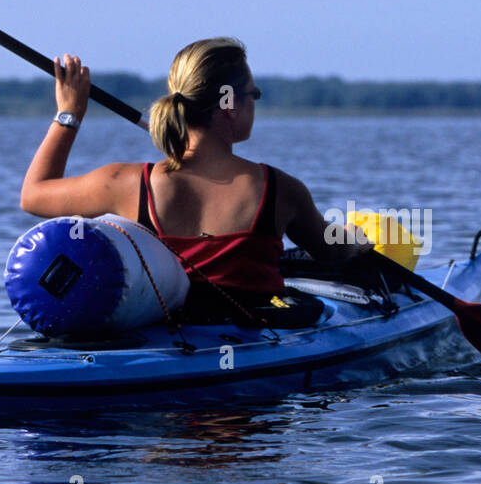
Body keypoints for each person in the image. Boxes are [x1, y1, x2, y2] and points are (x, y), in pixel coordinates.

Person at [19, 37, 367, 324]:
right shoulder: (280, 189)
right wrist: (356, 239)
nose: (255, 103)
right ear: (230, 106)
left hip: (169, 338)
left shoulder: (122, 182)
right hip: (255, 342)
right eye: (254, 95)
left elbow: (33, 196)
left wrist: (69, 114)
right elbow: (331, 252)